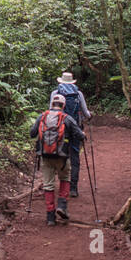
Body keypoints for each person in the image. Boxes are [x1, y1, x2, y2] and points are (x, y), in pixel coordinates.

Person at [29, 93, 85, 225]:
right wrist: (83, 135)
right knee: (65, 178)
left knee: (48, 184)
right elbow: (79, 136)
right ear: (63, 105)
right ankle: (62, 206)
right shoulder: (67, 118)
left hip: (45, 156)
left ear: (52, 104)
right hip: (62, 157)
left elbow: (32, 133)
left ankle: (50, 217)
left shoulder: (42, 116)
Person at [50, 72, 91, 197]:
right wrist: (89, 116)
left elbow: (51, 112)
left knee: (61, 156)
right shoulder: (78, 94)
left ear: (61, 82)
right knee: (75, 158)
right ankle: (73, 188)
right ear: (72, 82)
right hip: (75, 129)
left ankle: (63, 186)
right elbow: (85, 113)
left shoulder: (55, 94)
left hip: (59, 130)